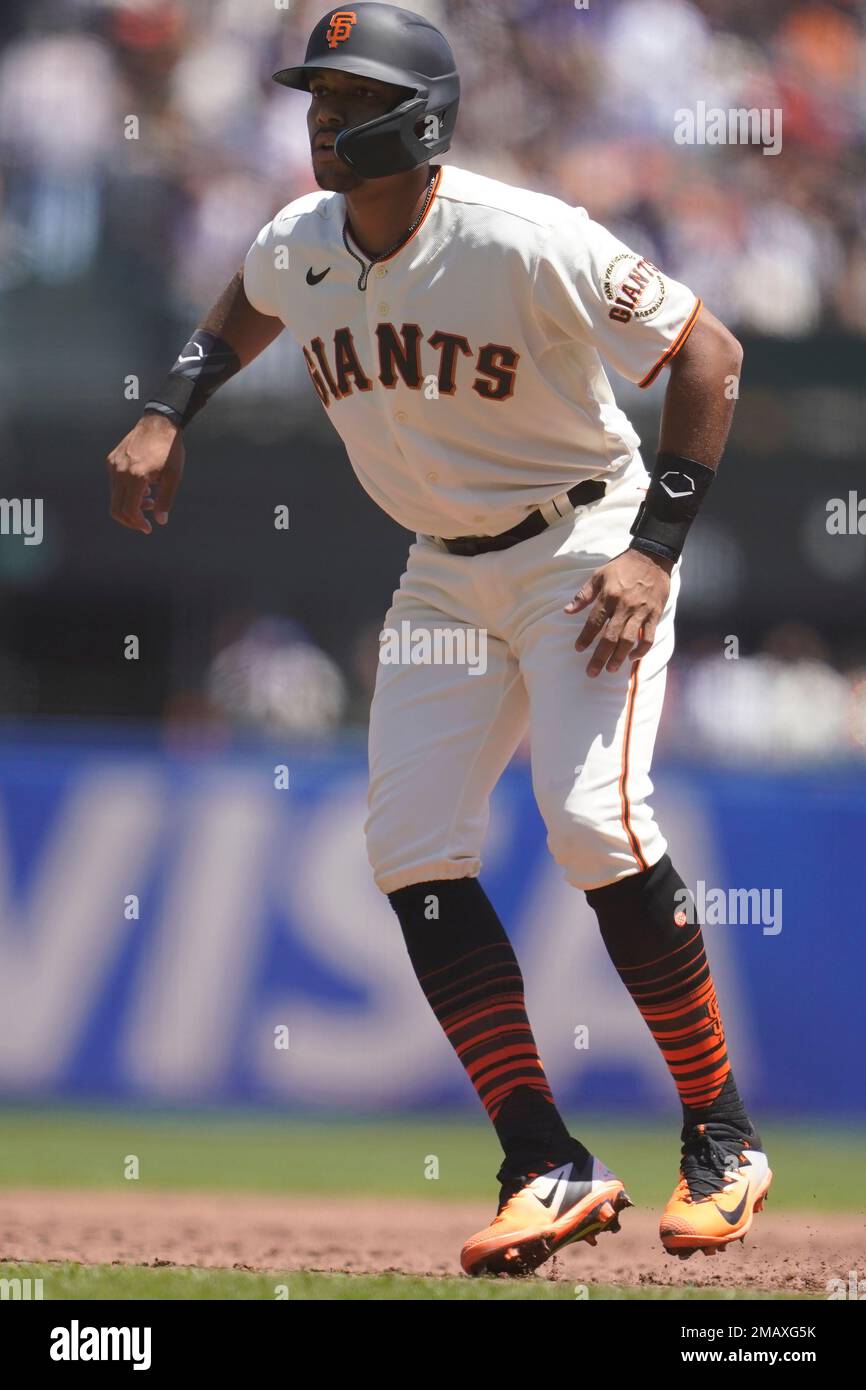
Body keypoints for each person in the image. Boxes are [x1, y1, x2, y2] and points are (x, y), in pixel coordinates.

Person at [107, 3, 772, 1278]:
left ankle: (722, 1138)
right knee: (409, 848)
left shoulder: (523, 236)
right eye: (317, 95)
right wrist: (166, 411)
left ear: (419, 125)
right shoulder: (301, 240)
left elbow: (711, 354)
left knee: (589, 821)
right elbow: (242, 306)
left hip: (588, 544)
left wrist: (654, 551)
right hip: (439, 575)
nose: (321, 118)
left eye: (350, 101)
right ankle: (544, 1160)